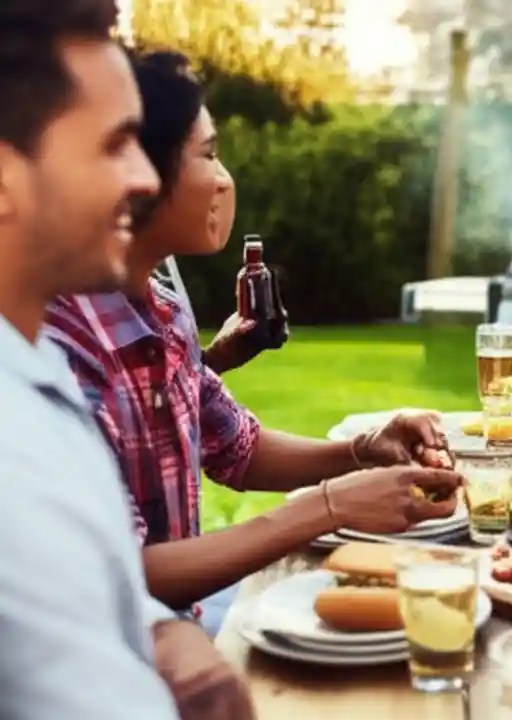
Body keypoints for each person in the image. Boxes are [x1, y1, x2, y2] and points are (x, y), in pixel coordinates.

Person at [44, 50, 463, 628]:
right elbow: (126, 573)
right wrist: (330, 506)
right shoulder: (63, 345)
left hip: (176, 631)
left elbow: (236, 448)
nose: (223, 180)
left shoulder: (162, 312)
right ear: (139, 175)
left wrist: (364, 449)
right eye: (209, 155)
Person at [0, 1, 247, 717]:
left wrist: (162, 633)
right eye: (114, 146)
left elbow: (83, 576)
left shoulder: (34, 368)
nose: (146, 181)